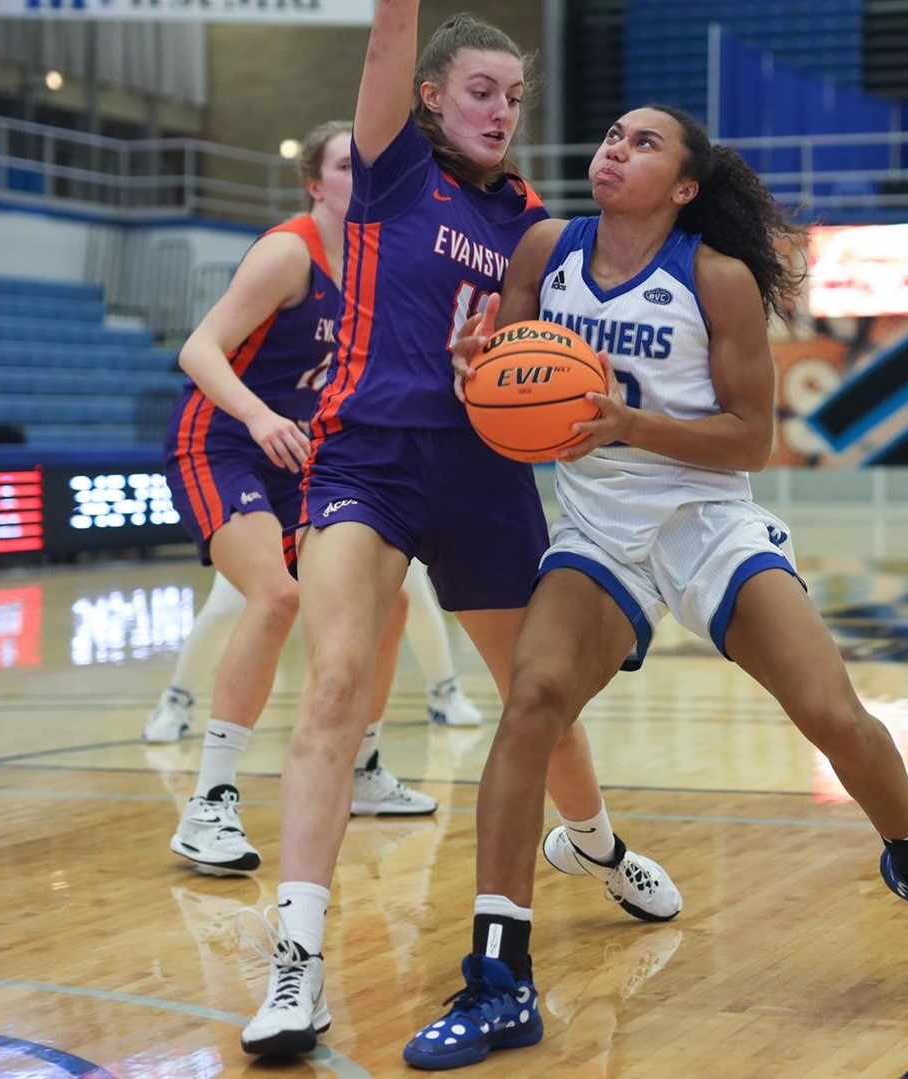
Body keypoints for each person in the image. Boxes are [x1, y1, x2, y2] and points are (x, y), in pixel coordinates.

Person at [401, 104, 908, 1071]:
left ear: (684, 186)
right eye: (611, 135)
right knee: (532, 701)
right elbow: (507, 384)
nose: (614, 148)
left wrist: (628, 424)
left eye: (643, 143)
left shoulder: (714, 277)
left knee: (833, 713)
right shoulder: (547, 250)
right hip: (600, 530)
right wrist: (480, 376)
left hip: (707, 521)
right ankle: (500, 981)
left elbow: (751, 438)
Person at [239, 5, 680, 1060]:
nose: (502, 109)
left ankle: (595, 842)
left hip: (484, 470)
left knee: (538, 696)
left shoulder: (527, 218)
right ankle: (296, 961)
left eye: (515, 96)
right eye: (481, 90)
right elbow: (388, 35)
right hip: (369, 457)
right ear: (431, 97)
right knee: (337, 684)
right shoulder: (392, 169)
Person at [161, 119, 441, 878]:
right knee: (276, 597)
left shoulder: (382, 264)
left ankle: (364, 767)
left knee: (390, 604)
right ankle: (209, 799)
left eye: (370, 166)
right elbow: (197, 349)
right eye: (346, 166)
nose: (363, 177)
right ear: (315, 184)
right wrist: (258, 415)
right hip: (222, 439)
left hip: (300, 455)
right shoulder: (290, 253)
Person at [141, 559, 485, 743]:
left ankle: (444, 691)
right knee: (227, 605)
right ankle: (176, 700)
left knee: (411, 591)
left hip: (354, 479)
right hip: (277, 486)